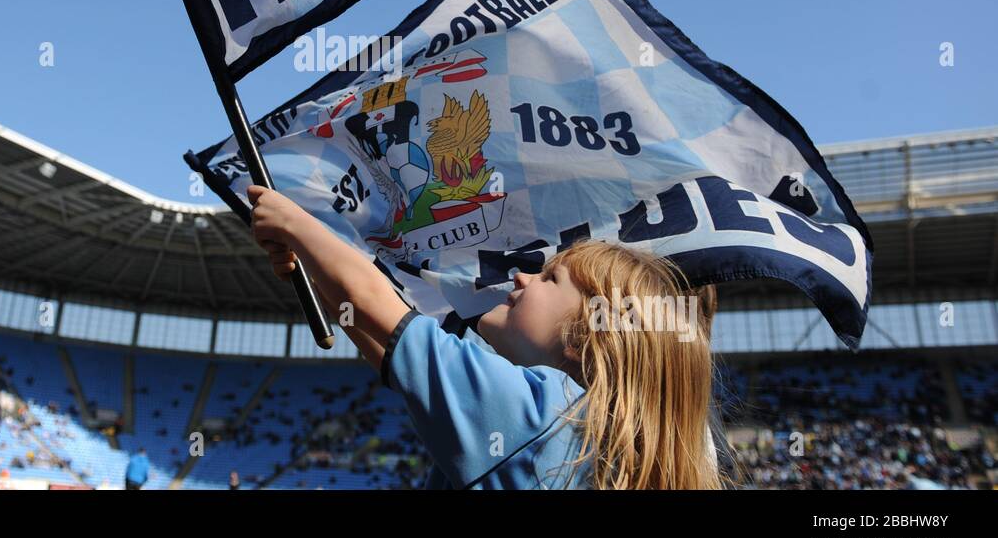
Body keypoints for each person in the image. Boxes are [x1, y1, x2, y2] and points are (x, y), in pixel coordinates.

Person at [248, 184, 729, 490]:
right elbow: (391, 353)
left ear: (584, 341)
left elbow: (376, 305)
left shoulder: (546, 417)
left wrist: (292, 220)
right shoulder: (595, 445)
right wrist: (311, 265)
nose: (522, 278)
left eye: (549, 279)